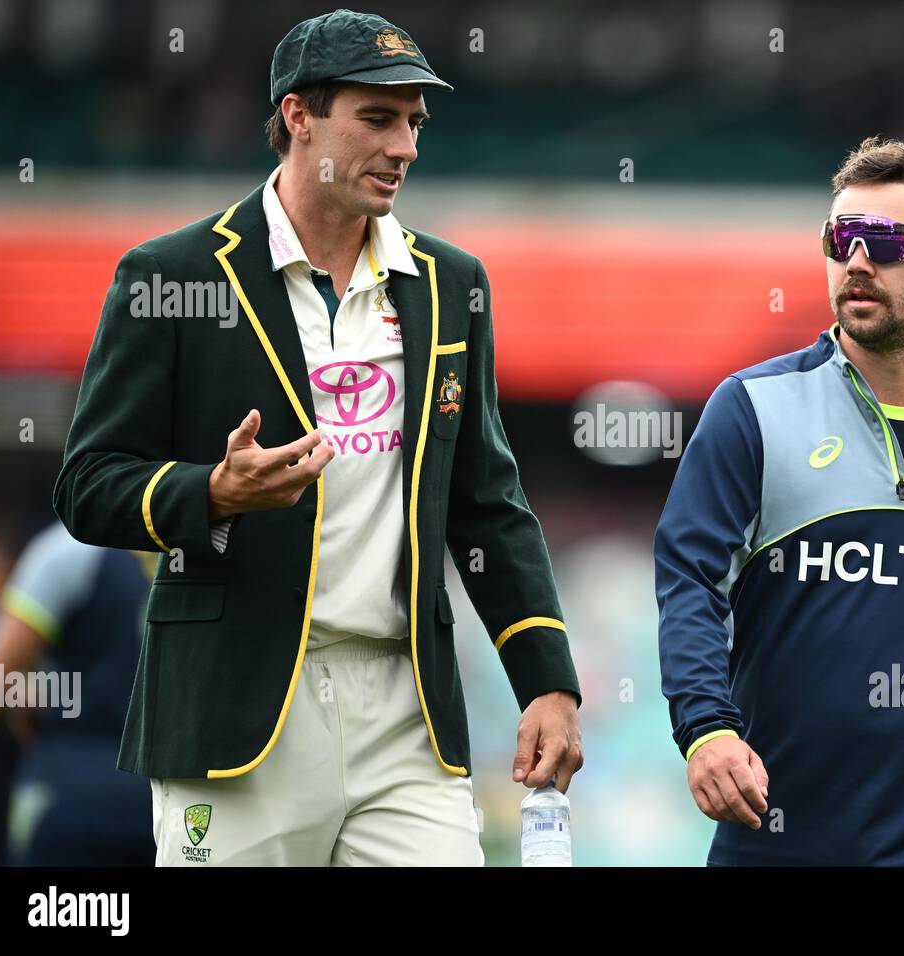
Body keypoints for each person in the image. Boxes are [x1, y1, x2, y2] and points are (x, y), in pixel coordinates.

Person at [53, 9, 582, 866]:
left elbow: (488, 504)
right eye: (376, 118)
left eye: (414, 122)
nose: (405, 146)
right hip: (236, 706)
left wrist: (548, 680)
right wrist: (214, 493)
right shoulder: (170, 275)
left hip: (408, 717)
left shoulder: (453, 284)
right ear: (298, 117)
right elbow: (87, 484)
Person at [655, 135, 904, 865]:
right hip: (776, 838)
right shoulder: (751, 407)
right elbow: (688, 583)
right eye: (840, 239)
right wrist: (707, 730)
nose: (856, 261)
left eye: (886, 242)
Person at [0, 520, 154, 866]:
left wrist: (37, 700)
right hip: (166, 799)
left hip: (70, 795)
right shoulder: (201, 543)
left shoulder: (67, 549)